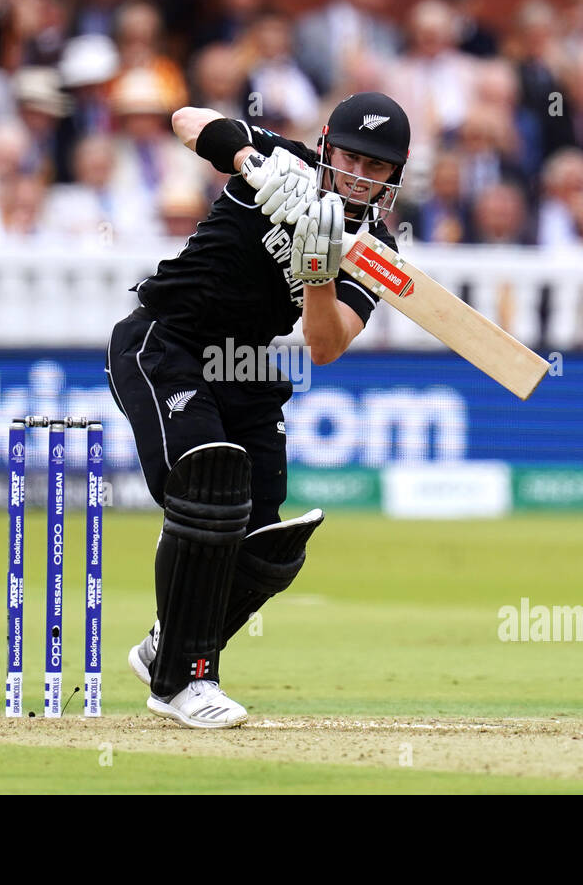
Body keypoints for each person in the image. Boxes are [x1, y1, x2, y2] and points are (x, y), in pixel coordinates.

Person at [106, 92, 409, 728]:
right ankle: (185, 681)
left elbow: (325, 346)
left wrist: (320, 271)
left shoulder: (376, 249)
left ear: (395, 176)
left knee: (271, 545)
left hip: (242, 365)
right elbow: (186, 122)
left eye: (376, 167)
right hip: (167, 339)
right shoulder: (284, 161)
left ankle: (170, 643)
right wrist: (253, 163)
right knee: (208, 487)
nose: (359, 174)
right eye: (350, 156)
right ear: (326, 146)